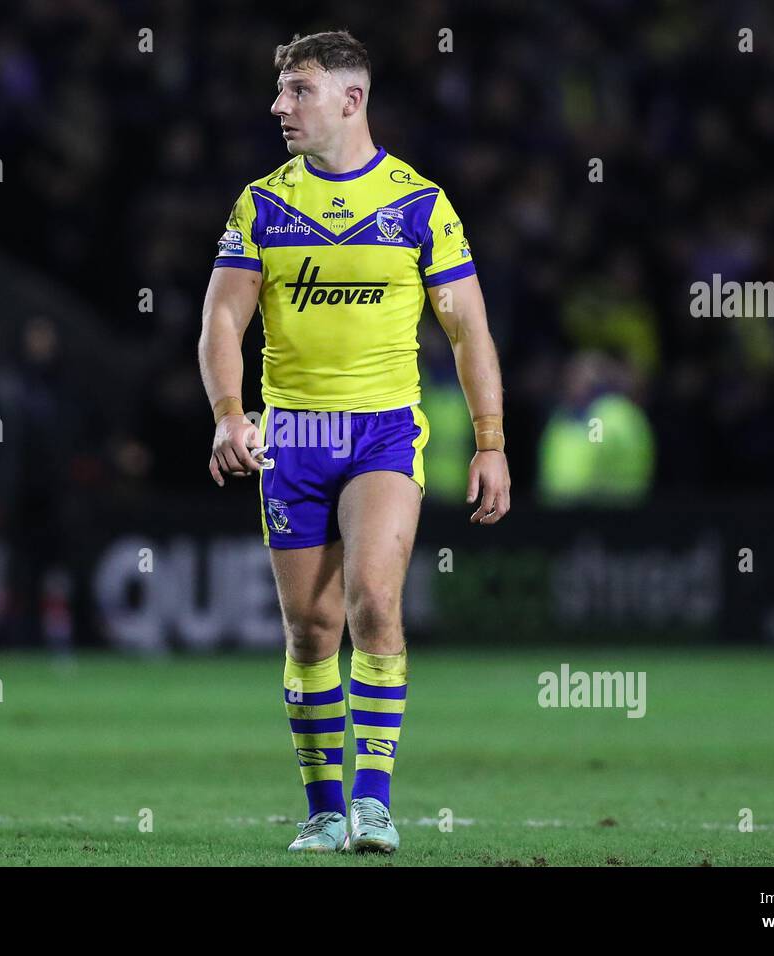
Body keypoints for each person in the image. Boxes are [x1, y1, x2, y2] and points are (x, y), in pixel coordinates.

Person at [198, 30, 509, 854]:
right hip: (291, 436)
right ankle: (324, 811)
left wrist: (491, 441)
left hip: (383, 434)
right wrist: (232, 413)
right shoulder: (261, 203)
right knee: (311, 631)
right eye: (279, 91)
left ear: (351, 98)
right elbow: (223, 317)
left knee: (376, 602)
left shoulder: (419, 205)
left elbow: (468, 330)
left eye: (297, 90)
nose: (278, 106)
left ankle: (373, 805)